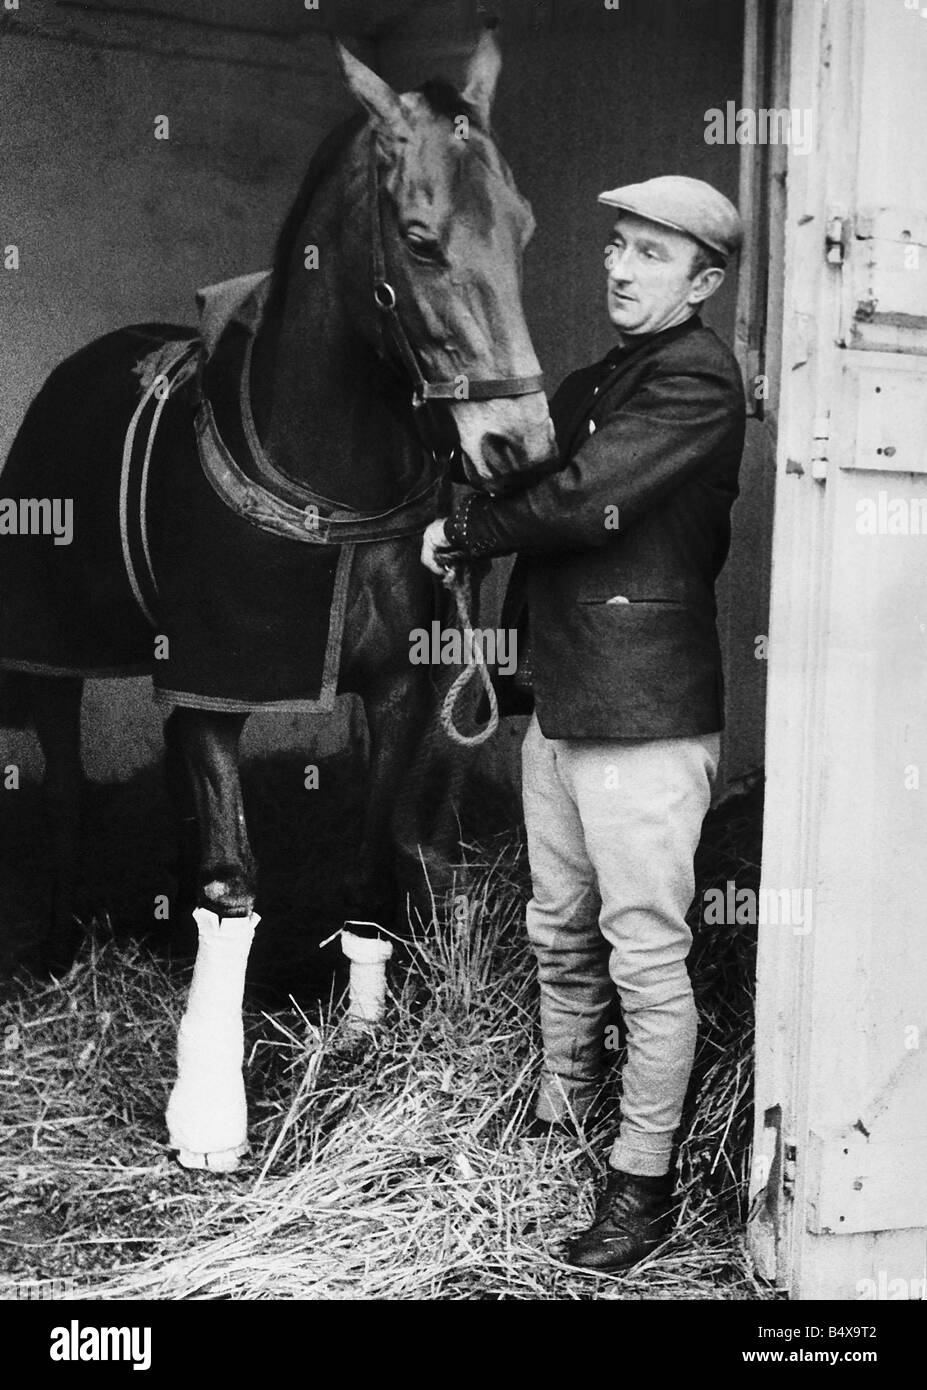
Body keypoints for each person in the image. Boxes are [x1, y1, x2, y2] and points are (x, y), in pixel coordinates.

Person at [421, 175, 746, 1272]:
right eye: (616, 244)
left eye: (653, 255)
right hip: (561, 705)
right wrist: (453, 502)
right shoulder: (595, 377)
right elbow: (508, 459)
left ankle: (640, 1186)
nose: (619, 267)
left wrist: (468, 527)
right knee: (557, 930)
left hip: (644, 713)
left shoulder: (698, 380)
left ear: (702, 281)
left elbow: (574, 502)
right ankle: (565, 1120)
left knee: (645, 957)